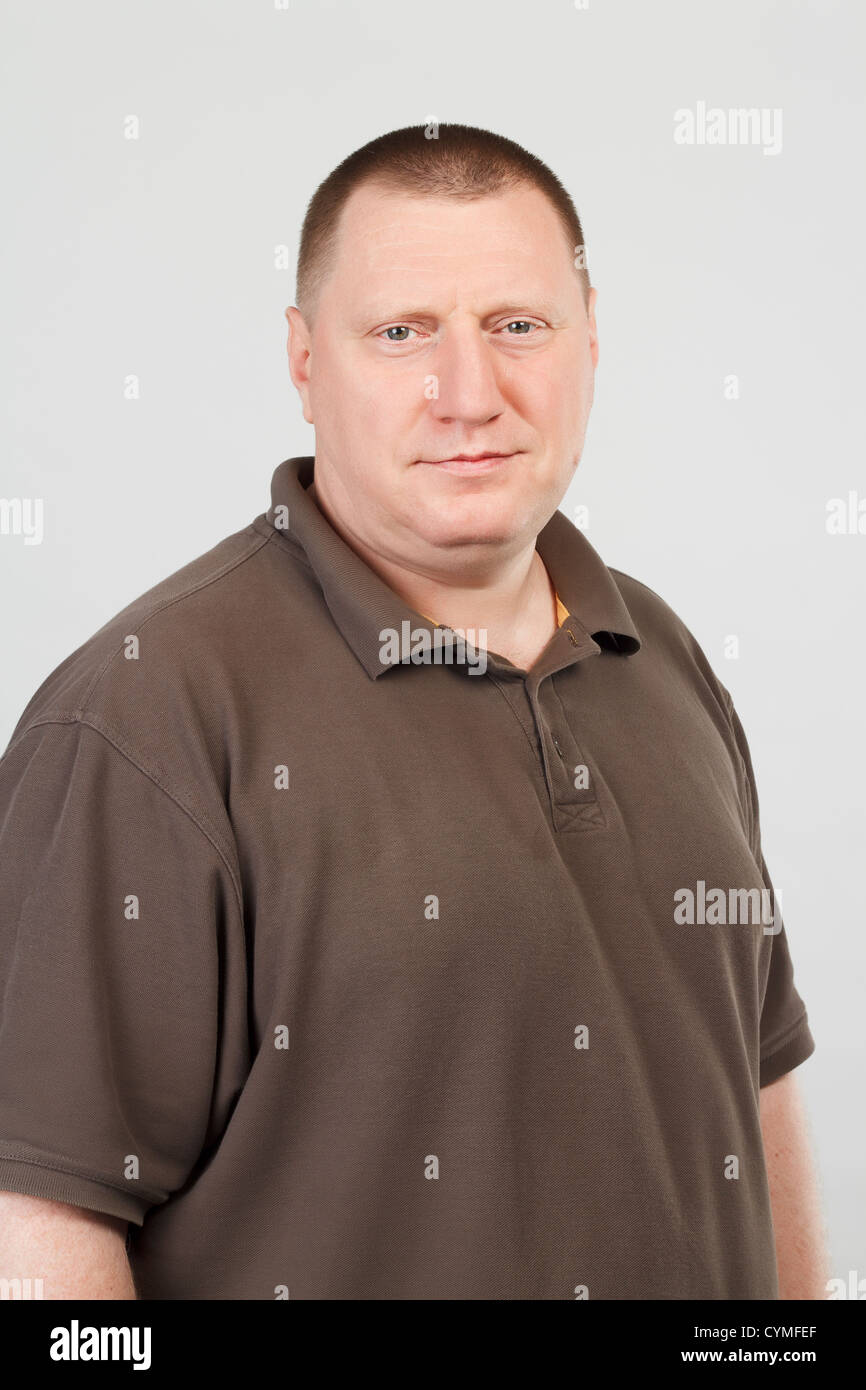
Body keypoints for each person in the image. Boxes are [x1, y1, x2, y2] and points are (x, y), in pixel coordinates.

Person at [0, 123, 826, 1300]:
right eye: (401, 335)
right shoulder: (143, 713)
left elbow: (751, 1086)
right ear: (301, 362)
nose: (466, 394)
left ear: (591, 339)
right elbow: (33, 1219)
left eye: (515, 327)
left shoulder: (659, 655)